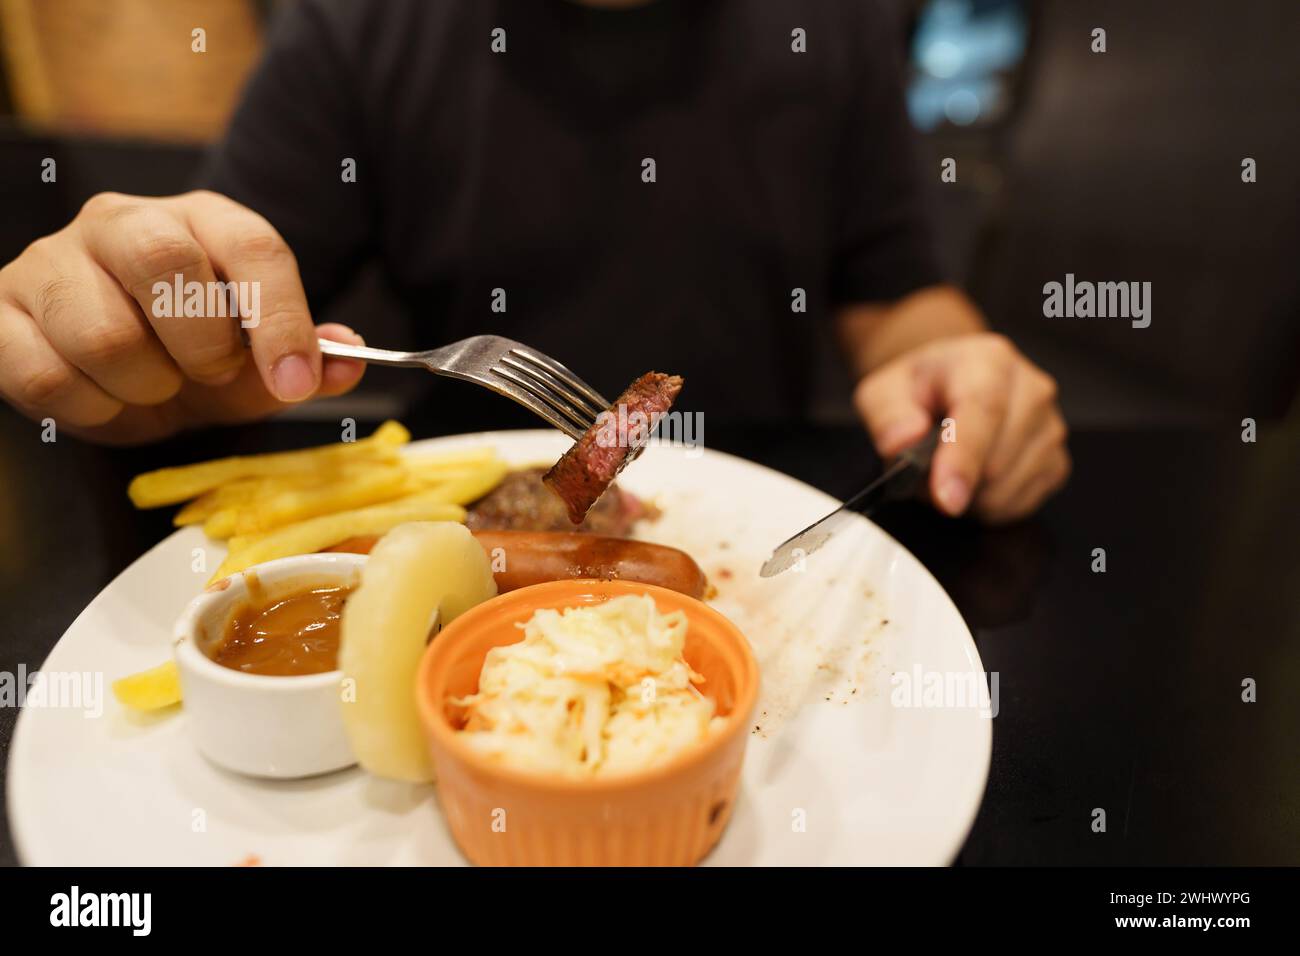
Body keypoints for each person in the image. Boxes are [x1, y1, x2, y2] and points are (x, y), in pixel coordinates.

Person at [0, 0, 1068, 523]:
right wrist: (121, 345)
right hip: (441, 520)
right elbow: (212, 339)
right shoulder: (359, 26)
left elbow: (894, 293)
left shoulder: (830, 24)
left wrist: (959, 366)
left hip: (756, 522)